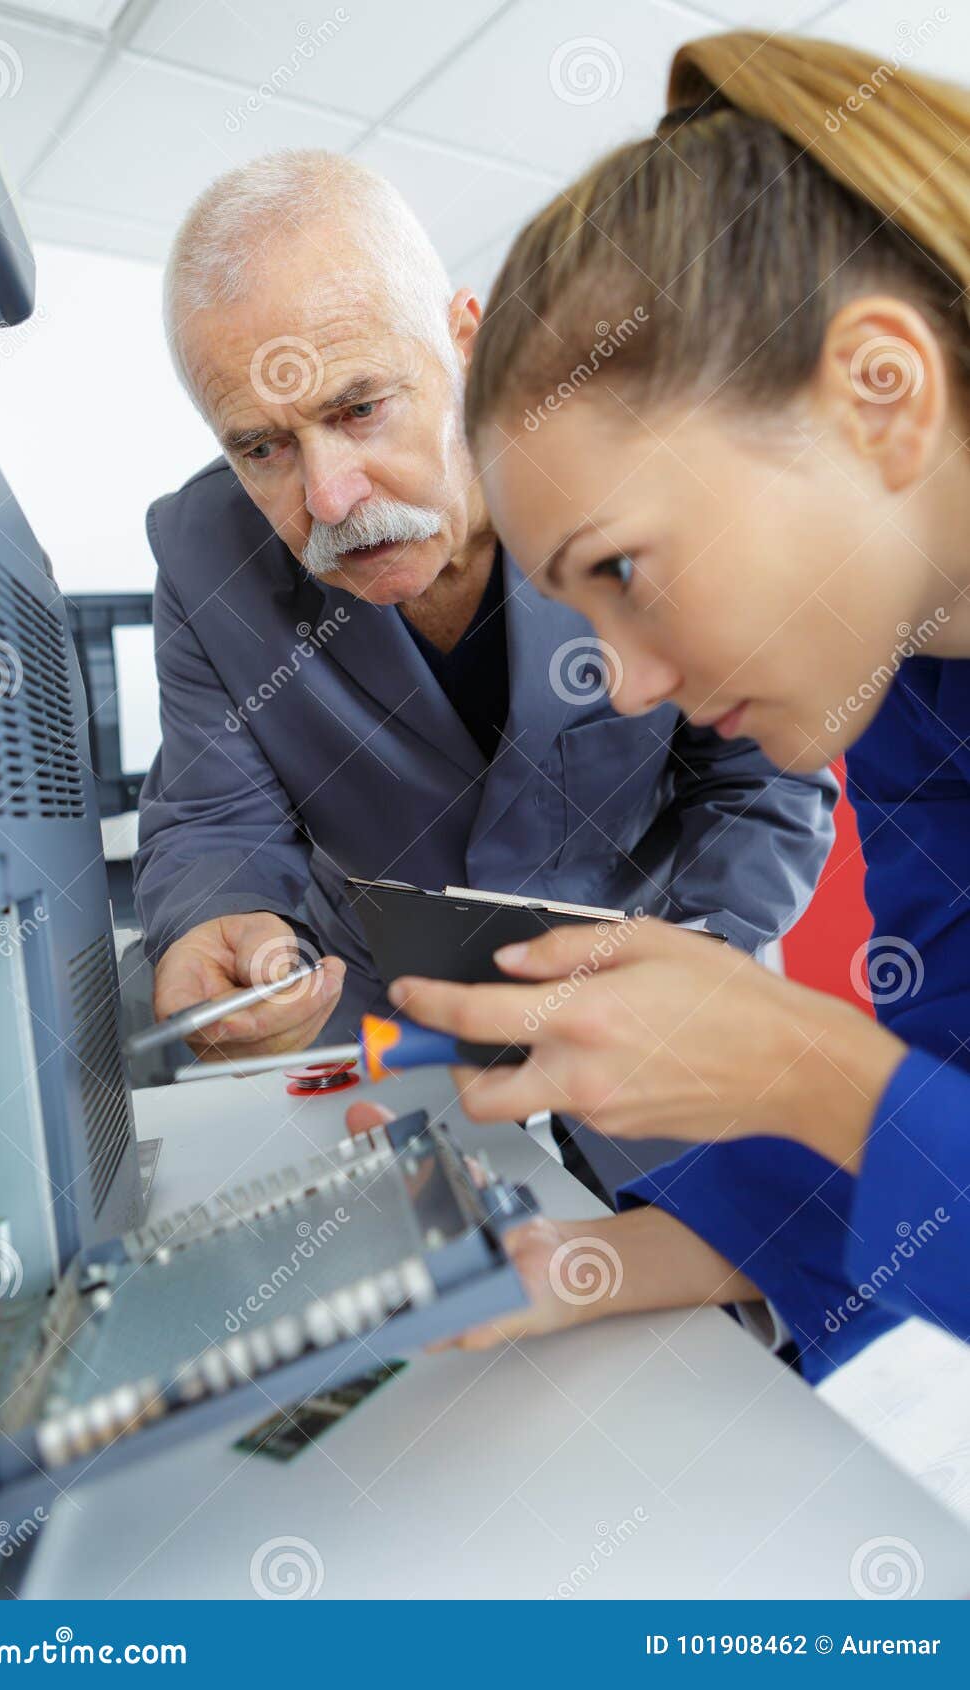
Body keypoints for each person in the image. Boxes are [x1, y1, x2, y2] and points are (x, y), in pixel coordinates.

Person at [387, 31, 970, 1377]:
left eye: (624, 568)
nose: (631, 680)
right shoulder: (899, 685)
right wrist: (572, 1265)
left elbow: (874, 1106)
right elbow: (934, 1109)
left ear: (877, 393)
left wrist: (794, 1061)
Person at [135, 147, 833, 1203]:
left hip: (656, 965)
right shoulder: (199, 553)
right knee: (430, 1303)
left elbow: (763, 778)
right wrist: (217, 922)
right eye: (261, 448)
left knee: (708, 1294)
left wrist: (695, 955)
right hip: (386, 1002)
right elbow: (213, 818)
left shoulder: (641, 486)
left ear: (464, 341)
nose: (327, 497)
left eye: (360, 407)